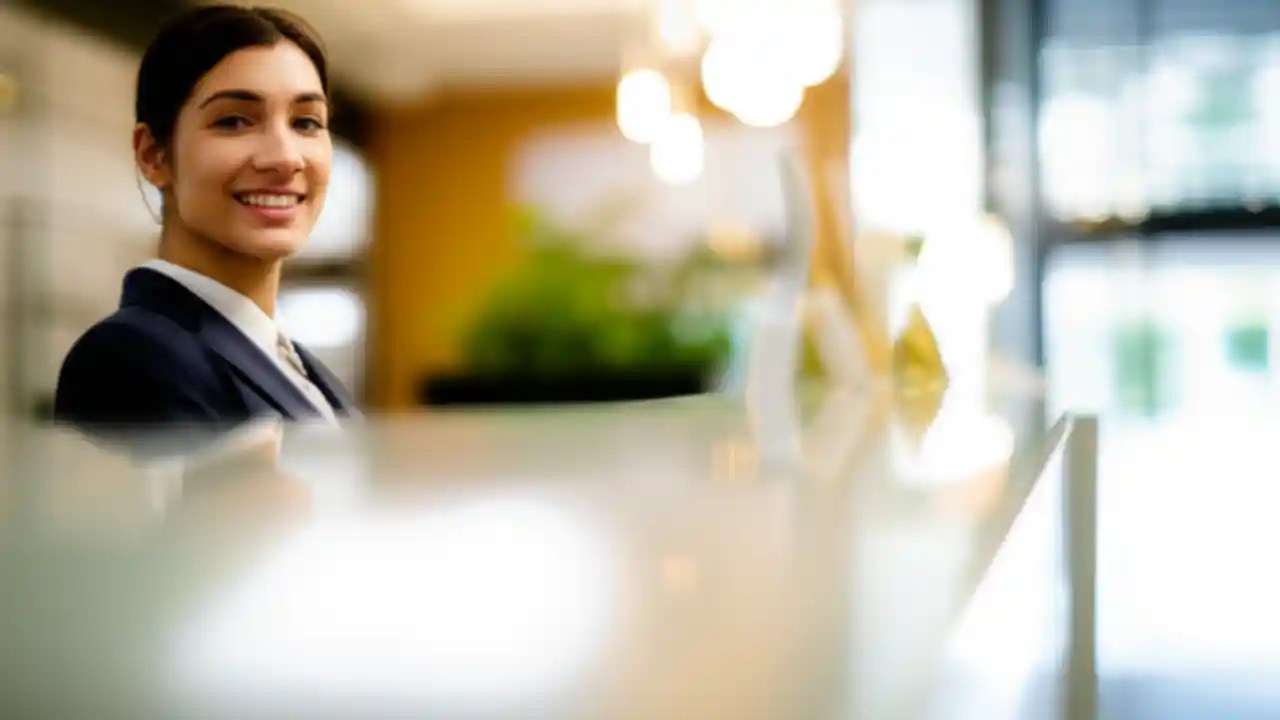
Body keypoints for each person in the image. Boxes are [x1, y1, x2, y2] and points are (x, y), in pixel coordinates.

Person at [54, 5, 355, 428]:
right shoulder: (131, 359)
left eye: (306, 122)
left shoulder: (305, 370)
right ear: (153, 155)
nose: (285, 158)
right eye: (233, 121)